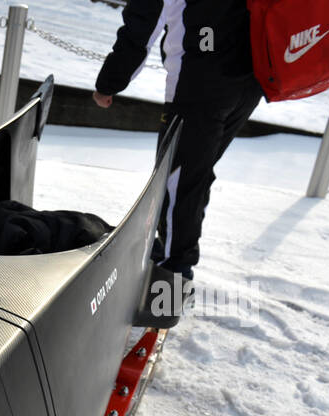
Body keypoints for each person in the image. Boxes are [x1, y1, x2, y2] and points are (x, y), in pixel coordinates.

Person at [93, 0, 261, 298]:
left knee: (178, 183)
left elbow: (142, 26)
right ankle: (172, 262)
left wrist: (110, 82)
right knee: (193, 176)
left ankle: (169, 284)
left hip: (199, 86)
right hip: (248, 80)